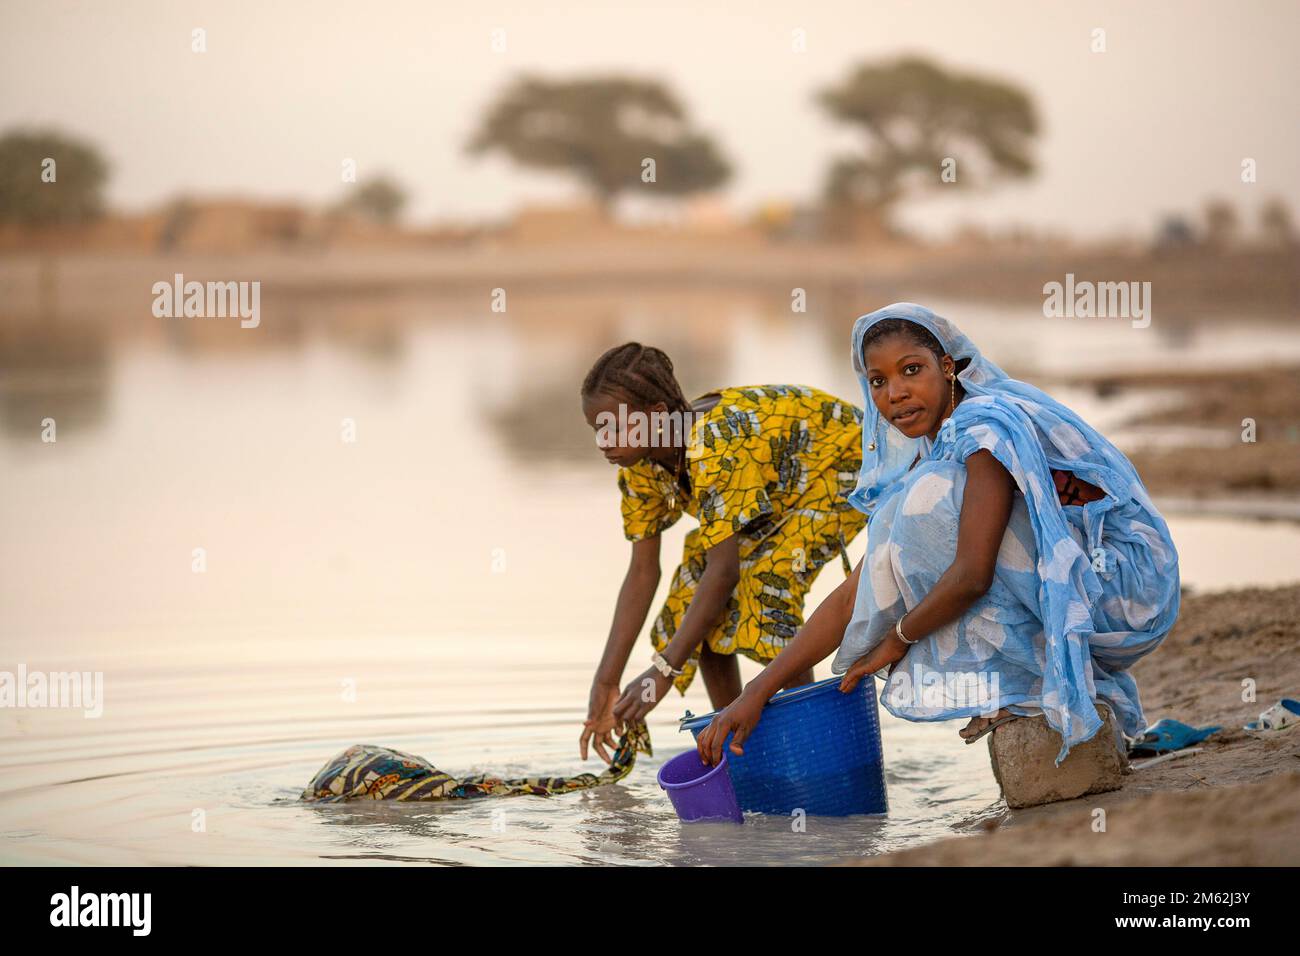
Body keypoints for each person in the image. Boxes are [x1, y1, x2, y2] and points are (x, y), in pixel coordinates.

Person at [697, 303, 1180, 768]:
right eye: (878, 381)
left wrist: (897, 639)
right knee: (911, 518)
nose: (895, 394)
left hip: (1128, 594)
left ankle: (1031, 688)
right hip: (1092, 590)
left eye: (911, 371)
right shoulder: (937, 446)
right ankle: (1047, 683)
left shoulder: (983, 427)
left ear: (947, 366)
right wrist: (756, 693)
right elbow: (856, 594)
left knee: (928, 504)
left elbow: (972, 575)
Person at [577, 342, 867, 763]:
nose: (604, 442)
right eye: (596, 429)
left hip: (839, 466)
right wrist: (607, 680)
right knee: (697, 587)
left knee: (766, 582)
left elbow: (726, 572)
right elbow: (643, 572)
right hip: (777, 486)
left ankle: (814, 745)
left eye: (614, 428)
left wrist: (663, 671)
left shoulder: (713, 445)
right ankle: (737, 743)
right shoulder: (638, 464)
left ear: (658, 415)